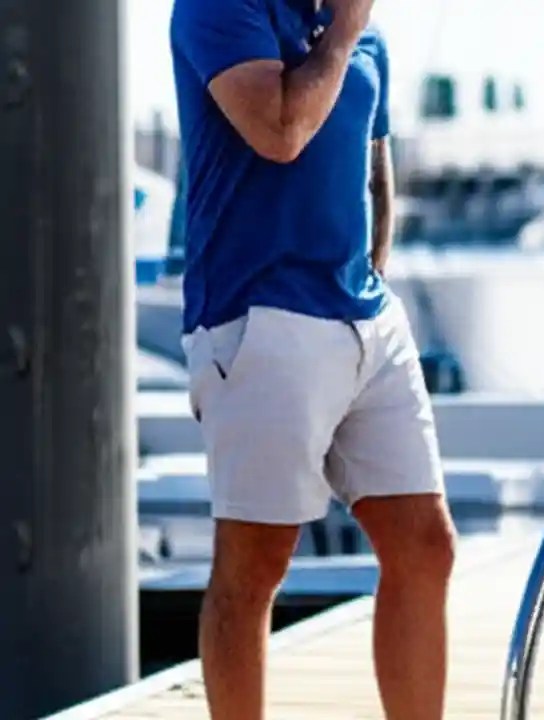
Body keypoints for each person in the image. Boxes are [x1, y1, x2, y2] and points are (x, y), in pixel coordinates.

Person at [169, 1, 456, 718]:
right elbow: (282, 129)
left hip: (363, 317)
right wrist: (347, 34)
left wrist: (374, 281)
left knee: (425, 545)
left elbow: (374, 166)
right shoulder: (218, 8)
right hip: (257, 316)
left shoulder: (364, 35)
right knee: (256, 562)